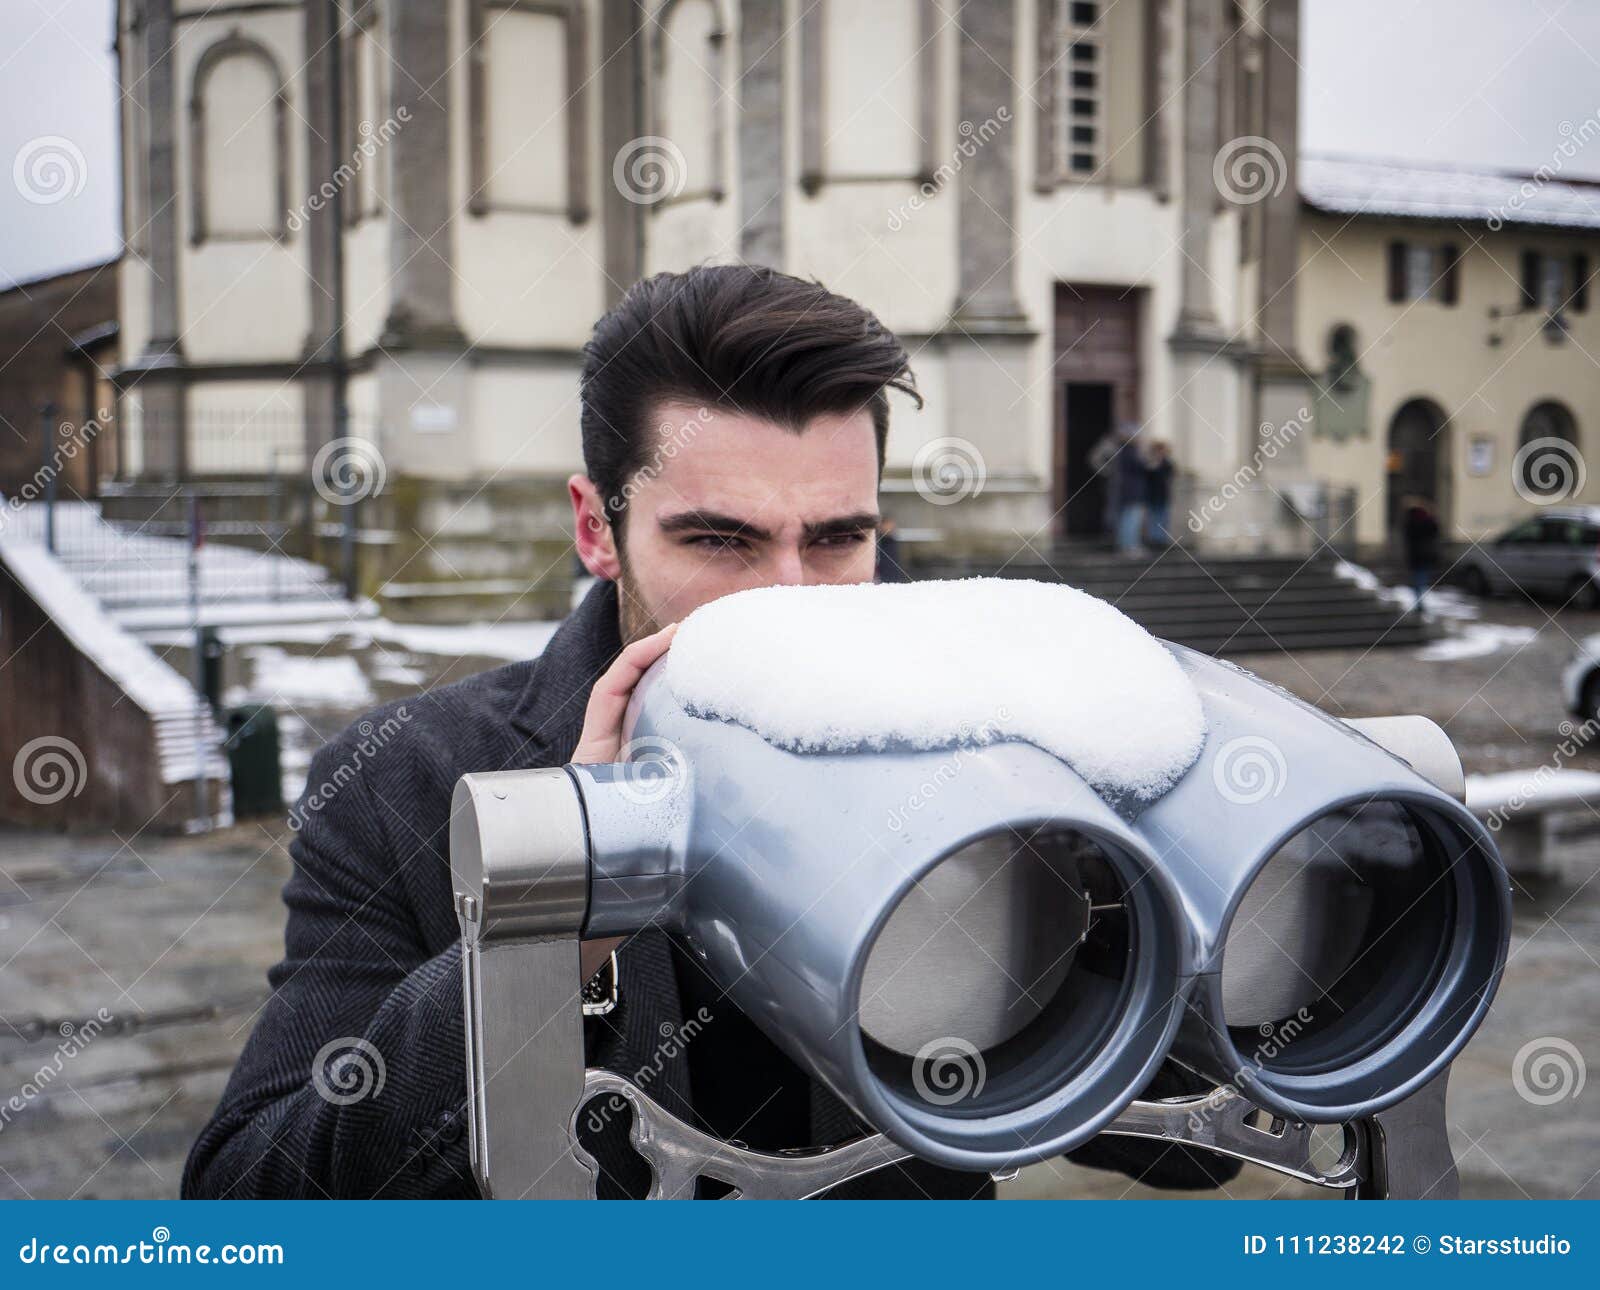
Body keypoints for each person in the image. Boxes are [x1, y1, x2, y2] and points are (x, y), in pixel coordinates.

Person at [183, 266, 1237, 1200]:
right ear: (597, 529)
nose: (787, 598)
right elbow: (252, 1199)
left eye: (836, 539)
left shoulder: (973, 742)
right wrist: (550, 931)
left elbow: (1189, 1152)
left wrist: (1088, 877)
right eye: (720, 539)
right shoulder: (405, 783)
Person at [1114, 425, 1149, 555]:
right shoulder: (1131, 451)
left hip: (1126, 490)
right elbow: (1141, 466)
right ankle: (1130, 546)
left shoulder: (1122, 451)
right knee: (1132, 519)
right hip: (1133, 491)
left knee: (1126, 518)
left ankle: (1125, 545)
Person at [1401, 495, 1440, 611]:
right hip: (1424, 555)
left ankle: (1419, 601)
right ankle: (1420, 602)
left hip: (1416, 555)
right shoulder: (1426, 520)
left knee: (1417, 579)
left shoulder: (1410, 520)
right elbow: (1435, 531)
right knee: (1421, 579)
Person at [1143, 440, 1175, 547]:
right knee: (1153, 518)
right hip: (1152, 495)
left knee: (1163, 517)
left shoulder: (1167, 463)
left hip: (1162, 495)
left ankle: (1161, 539)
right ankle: (1153, 539)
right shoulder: (1149, 463)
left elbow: (1170, 475)